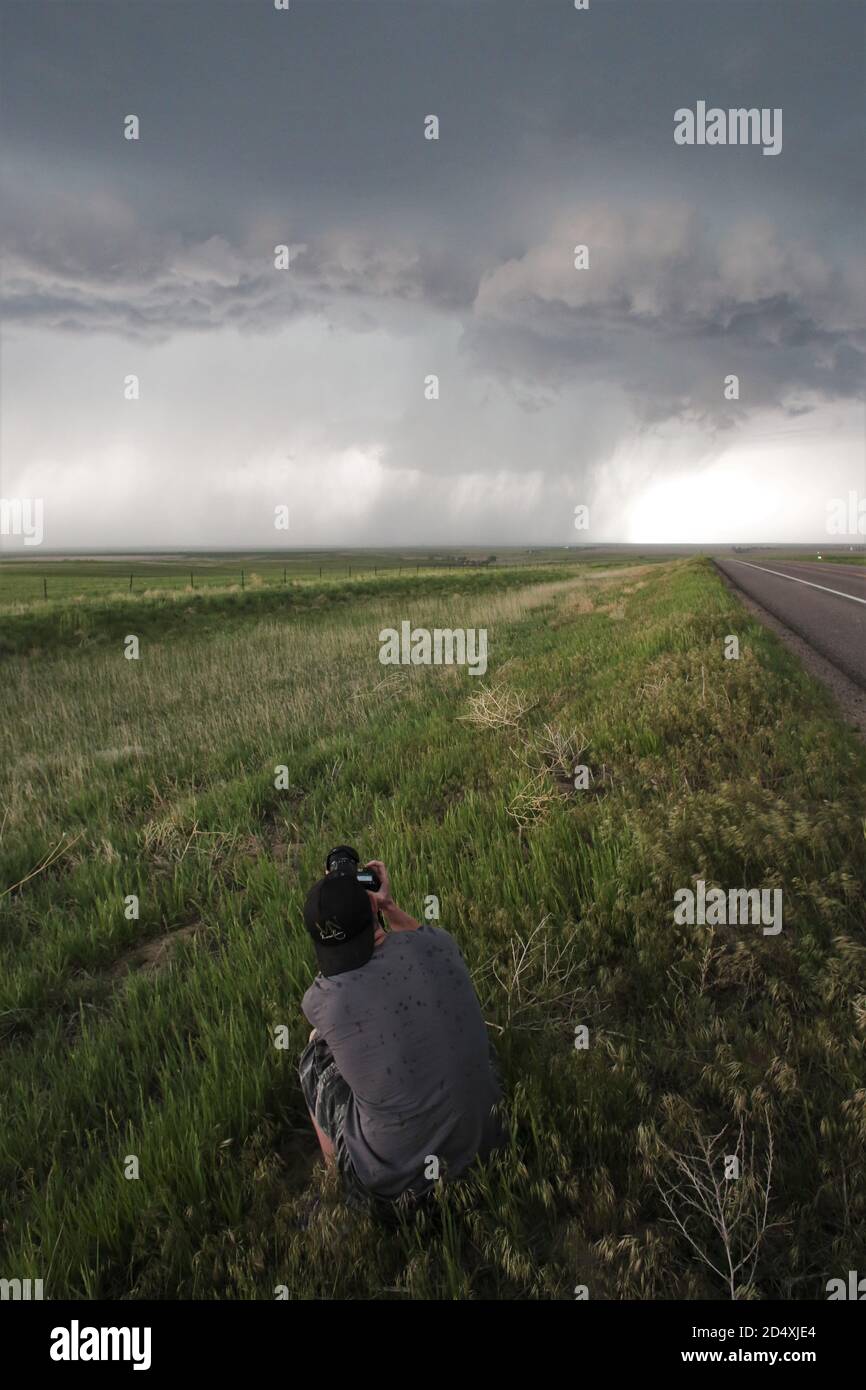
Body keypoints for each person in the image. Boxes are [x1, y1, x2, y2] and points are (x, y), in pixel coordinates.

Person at [298, 856, 504, 1212]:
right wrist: (387, 905)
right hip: (490, 1153)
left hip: (399, 1200)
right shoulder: (439, 944)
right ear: (374, 912)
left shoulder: (323, 1000)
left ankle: (337, 1181)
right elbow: (416, 939)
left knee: (316, 1055)